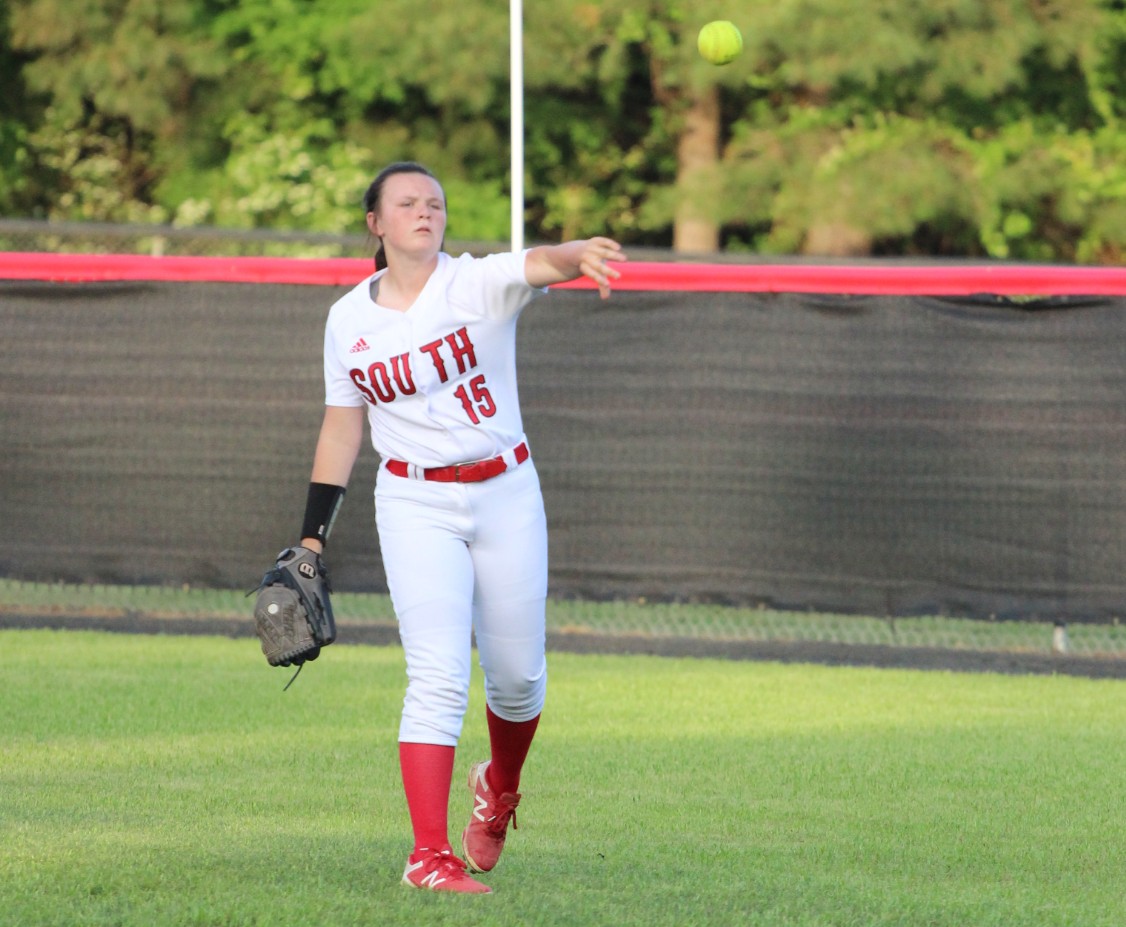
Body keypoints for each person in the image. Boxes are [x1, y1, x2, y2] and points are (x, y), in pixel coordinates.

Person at [294, 161, 626, 894]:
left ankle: (499, 784)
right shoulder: (348, 320)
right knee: (437, 676)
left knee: (518, 680)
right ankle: (428, 855)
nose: (425, 211)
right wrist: (312, 536)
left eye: (435, 202)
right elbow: (343, 427)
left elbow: (542, 262)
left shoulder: (474, 283)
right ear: (376, 223)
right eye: (407, 202)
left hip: (505, 490)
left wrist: (580, 253)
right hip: (413, 501)